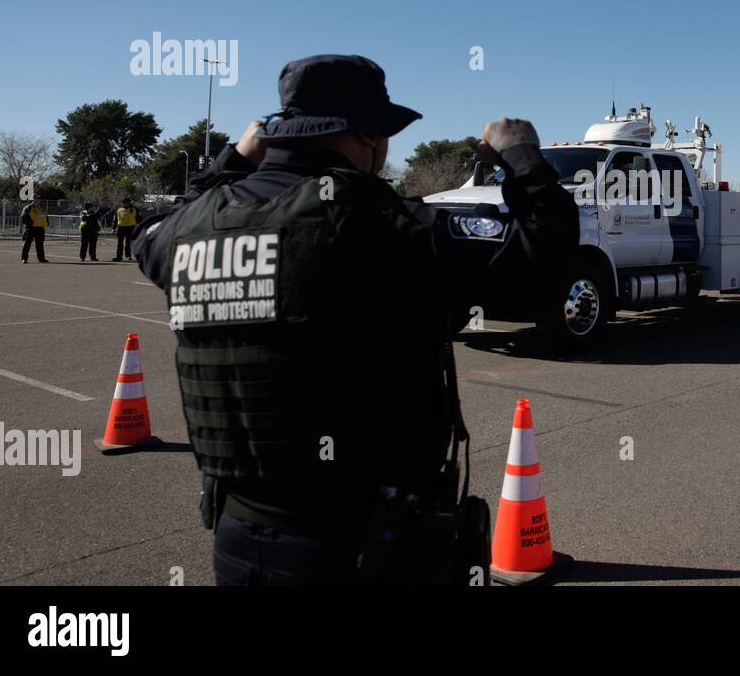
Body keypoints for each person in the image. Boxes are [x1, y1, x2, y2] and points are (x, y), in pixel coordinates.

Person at [132, 54, 577, 585]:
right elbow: (538, 269)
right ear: (368, 134)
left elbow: (148, 234)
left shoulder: (192, 228)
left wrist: (230, 160)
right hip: (363, 547)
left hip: (237, 537)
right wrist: (523, 157)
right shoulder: (379, 224)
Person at [20, 197, 48, 264]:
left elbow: (45, 216)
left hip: (40, 228)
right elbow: (23, 217)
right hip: (31, 228)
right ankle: (24, 258)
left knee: (40, 244)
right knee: (27, 244)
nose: (37, 200)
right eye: (36, 199)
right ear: (32, 200)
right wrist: (30, 224)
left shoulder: (41, 207)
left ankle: (41, 258)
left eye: (39, 199)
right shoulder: (28, 207)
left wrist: (47, 222)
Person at [111, 197, 139, 261]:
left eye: (127, 202)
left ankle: (128, 256)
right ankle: (119, 256)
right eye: (124, 202)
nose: (126, 204)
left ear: (129, 203)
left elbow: (138, 218)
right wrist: (113, 227)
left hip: (130, 227)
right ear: (122, 203)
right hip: (121, 227)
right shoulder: (119, 210)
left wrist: (138, 226)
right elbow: (115, 219)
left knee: (128, 243)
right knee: (120, 243)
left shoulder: (134, 209)